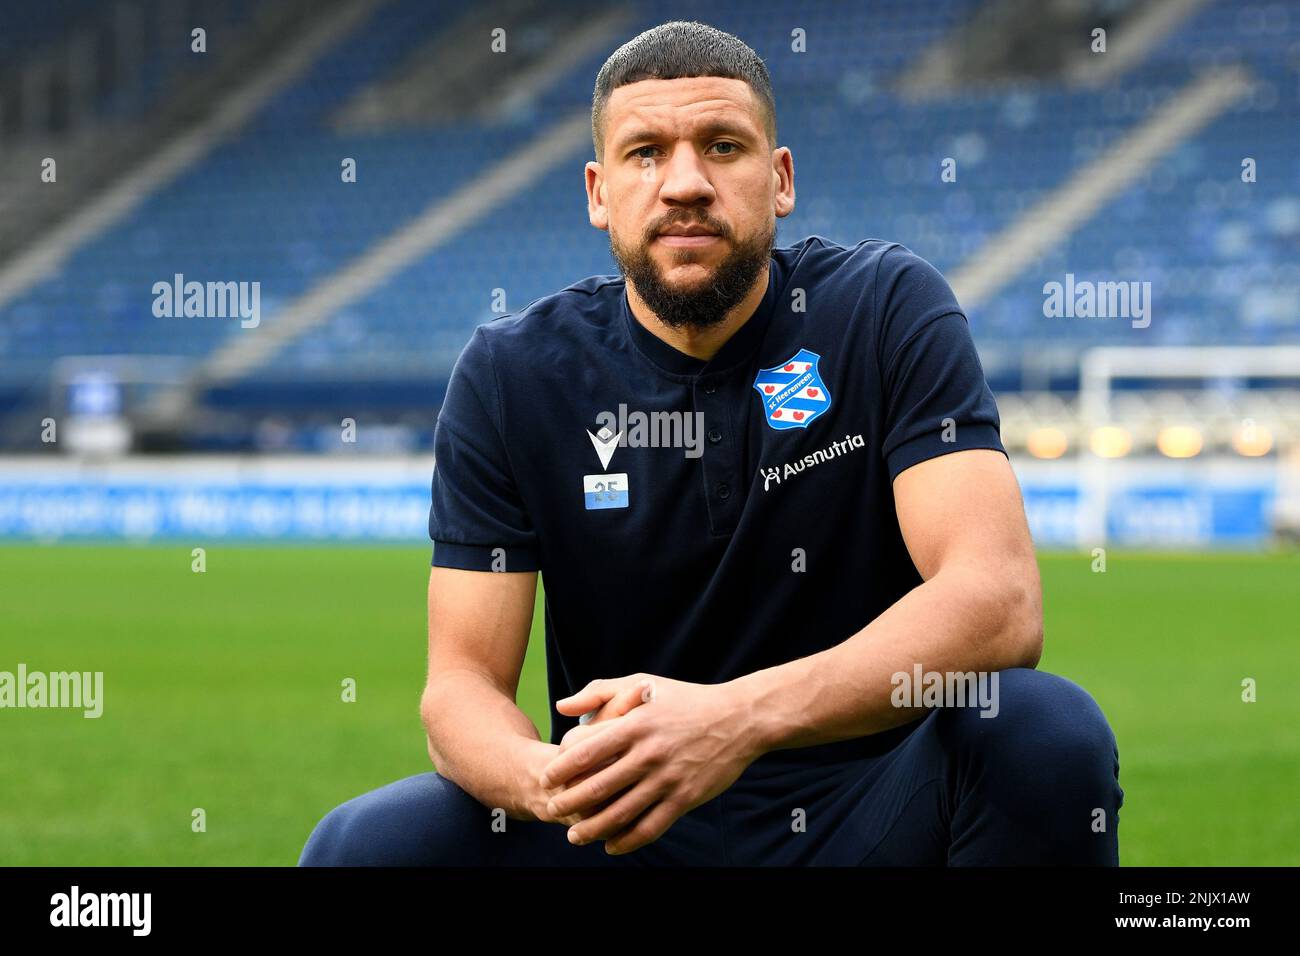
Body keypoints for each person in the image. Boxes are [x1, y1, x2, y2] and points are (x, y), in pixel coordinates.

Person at [300, 20, 1122, 867]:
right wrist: (551, 781)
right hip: (623, 826)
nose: (684, 183)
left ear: (780, 179)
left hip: (862, 817)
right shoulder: (514, 374)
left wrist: (734, 720)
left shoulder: (884, 309)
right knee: (367, 846)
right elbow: (461, 688)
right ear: (597, 192)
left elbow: (999, 602)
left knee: (1041, 731)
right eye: (645, 152)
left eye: (723, 147)